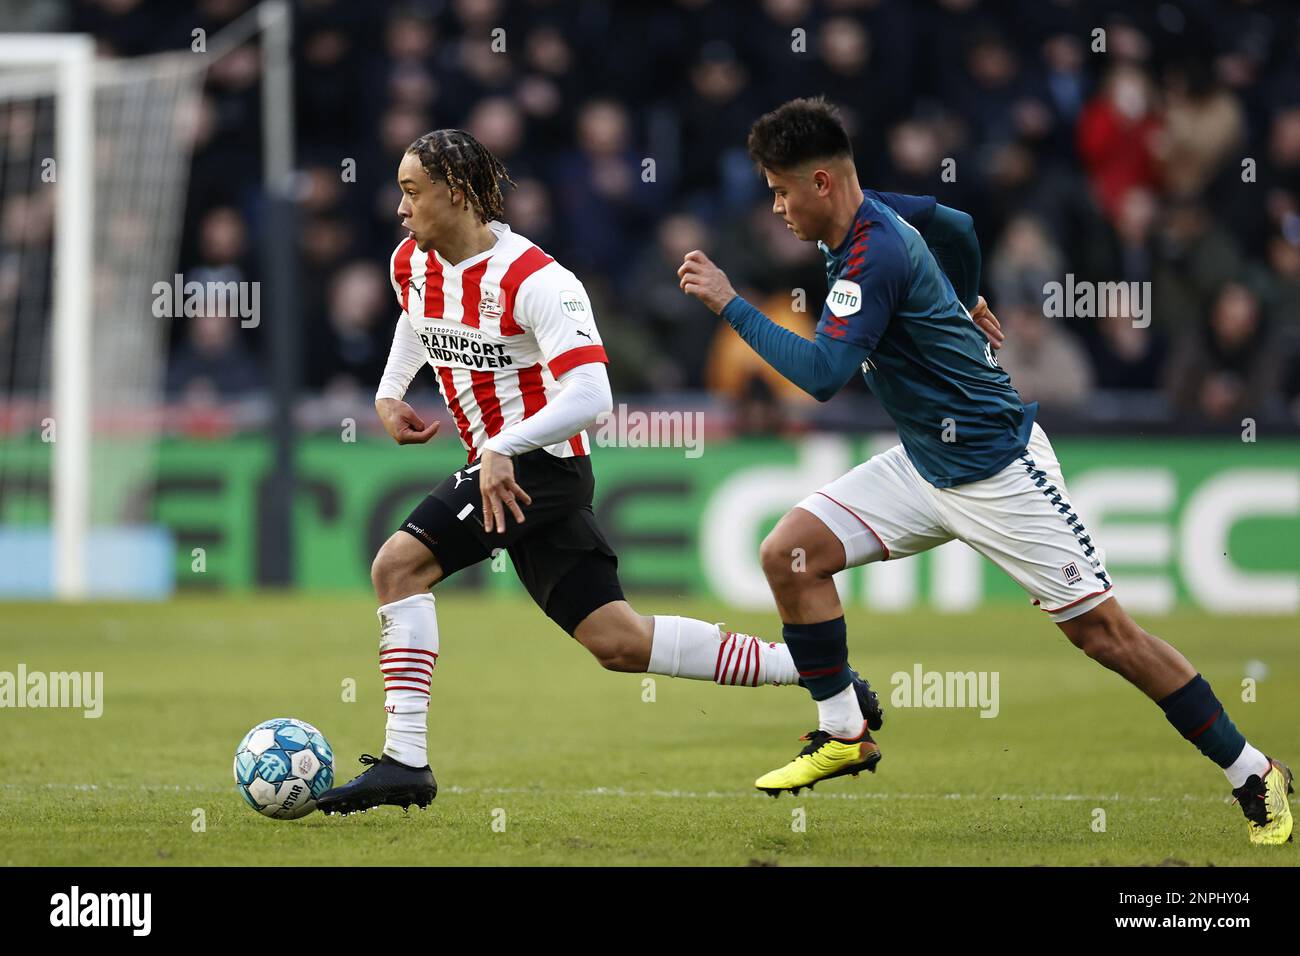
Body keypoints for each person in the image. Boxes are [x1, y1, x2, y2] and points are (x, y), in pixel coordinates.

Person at [677, 97, 1292, 845]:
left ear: (821, 183)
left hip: (998, 468)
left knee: (1106, 636)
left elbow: (823, 374)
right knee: (789, 554)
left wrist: (730, 304)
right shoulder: (866, 216)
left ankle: (1253, 770)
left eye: (780, 190)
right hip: (927, 463)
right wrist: (966, 294)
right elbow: (959, 226)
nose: (774, 207)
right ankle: (843, 730)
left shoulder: (872, 255)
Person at [315, 129, 884, 816]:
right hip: (498, 466)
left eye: (411, 192)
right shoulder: (411, 261)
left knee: (396, 568)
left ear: (457, 194)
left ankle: (406, 761)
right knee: (618, 642)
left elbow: (591, 398)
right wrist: (389, 391)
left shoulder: (539, 281)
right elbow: (417, 319)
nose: (399, 208)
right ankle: (821, 672)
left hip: (540, 468)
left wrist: (503, 446)